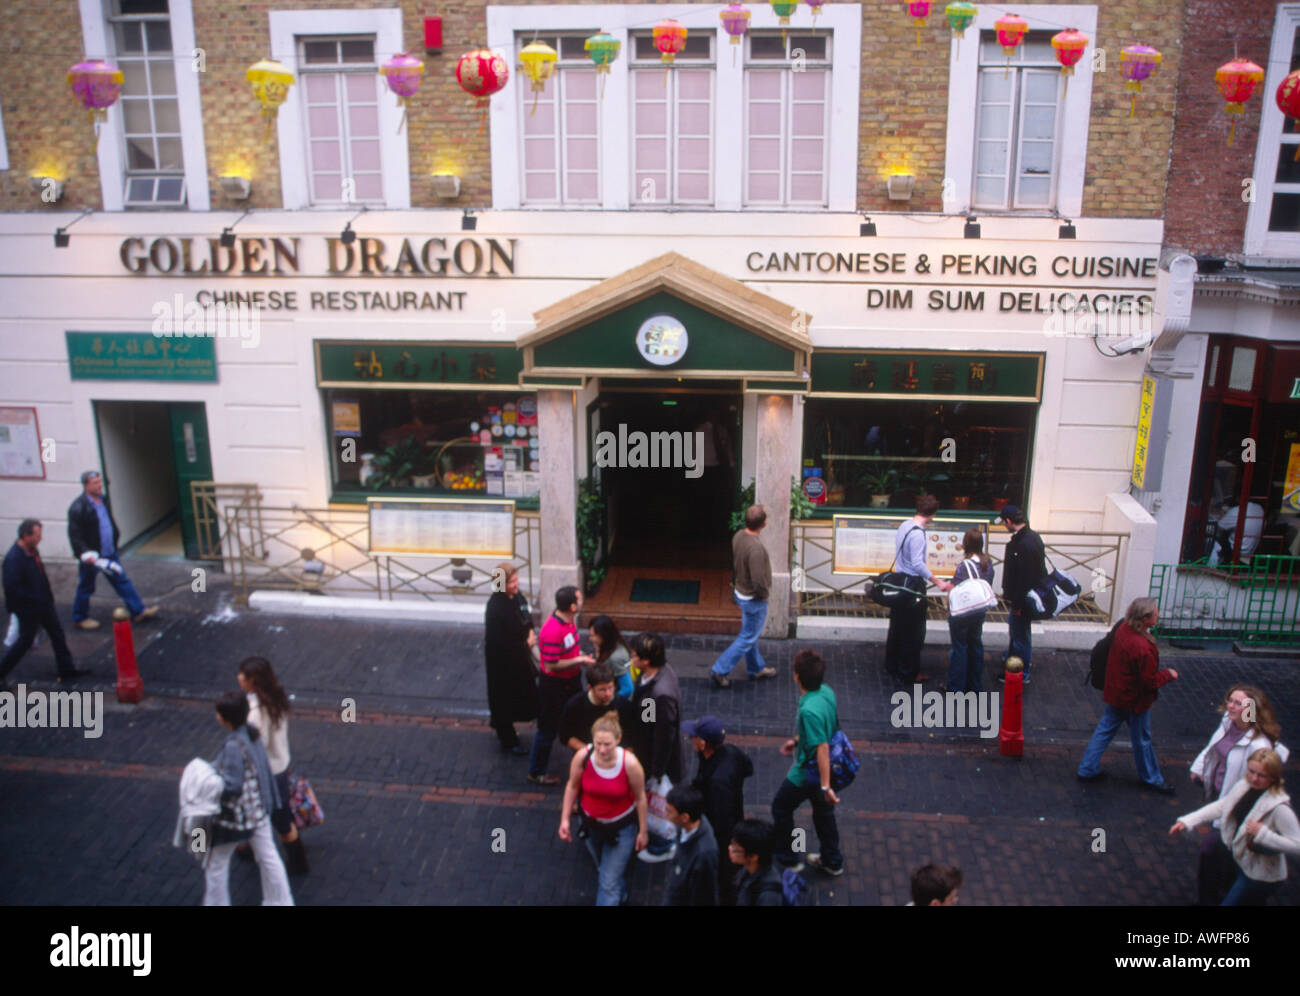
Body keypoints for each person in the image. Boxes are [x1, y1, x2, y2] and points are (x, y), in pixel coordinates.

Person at [1189, 685, 1288, 904]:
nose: (1230, 706)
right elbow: (1212, 747)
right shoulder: (1228, 721)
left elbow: (1256, 783)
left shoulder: (1258, 744)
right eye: (1230, 700)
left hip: (1236, 805)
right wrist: (1197, 769)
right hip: (1217, 792)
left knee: (1211, 850)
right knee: (1223, 853)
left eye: (1237, 703)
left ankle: (1214, 898)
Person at [1171, 748, 1300, 906]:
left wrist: (1263, 834)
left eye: (1262, 775)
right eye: (1251, 771)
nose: (1254, 778)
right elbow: (1223, 805)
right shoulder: (1244, 785)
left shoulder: (1280, 808)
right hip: (1242, 862)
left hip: (1260, 876)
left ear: (1274, 777)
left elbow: (1297, 845)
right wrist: (1188, 821)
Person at [1076, 597, 1179, 794]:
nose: (1158, 615)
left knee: (1105, 729)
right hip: (1134, 699)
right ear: (1146, 618)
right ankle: (1152, 778)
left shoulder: (1123, 628)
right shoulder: (1142, 648)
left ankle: (1087, 768)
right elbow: (1148, 681)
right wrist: (1168, 675)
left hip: (1116, 691)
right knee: (1142, 738)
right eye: (1155, 613)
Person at [203, 691, 294, 906]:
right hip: (259, 809)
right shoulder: (252, 734)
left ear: (225, 719)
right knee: (269, 856)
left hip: (237, 816)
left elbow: (232, 786)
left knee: (216, 863)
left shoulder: (233, 745)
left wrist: (209, 780)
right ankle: (280, 901)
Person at [558, 710, 648, 906]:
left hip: (622, 829)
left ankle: (614, 891)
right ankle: (619, 890)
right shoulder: (583, 756)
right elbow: (572, 786)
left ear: (618, 740)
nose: (602, 749)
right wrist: (565, 819)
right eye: (598, 743)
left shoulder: (630, 764)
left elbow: (640, 798)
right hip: (591, 826)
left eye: (607, 744)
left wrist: (643, 830)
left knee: (607, 882)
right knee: (605, 869)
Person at [773, 649, 843, 876]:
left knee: (781, 807)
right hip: (827, 768)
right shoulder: (826, 693)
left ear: (797, 677)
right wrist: (797, 740)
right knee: (823, 814)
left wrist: (825, 786)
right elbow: (826, 727)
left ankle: (789, 857)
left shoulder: (808, 711)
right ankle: (832, 861)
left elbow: (821, 746)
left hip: (809, 772)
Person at [237, 656, 308, 875]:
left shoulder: (256, 712)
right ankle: (250, 847)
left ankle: (298, 862)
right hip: (281, 763)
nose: (238, 677)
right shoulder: (276, 697)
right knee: (271, 811)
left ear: (252, 680)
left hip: (268, 771)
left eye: (242, 674)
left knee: (280, 818)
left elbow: (257, 744)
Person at [67, 470, 158, 629]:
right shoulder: (78, 507)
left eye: (100, 482)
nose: (99, 485)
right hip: (93, 556)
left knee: (122, 580)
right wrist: (84, 553)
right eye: (95, 483)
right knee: (86, 586)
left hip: (109, 550)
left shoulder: (103, 500)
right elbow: (75, 535)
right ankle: (79, 617)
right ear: (86, 485)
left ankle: (138, 611)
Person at [1, 519, 88, 685]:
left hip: (43, 603)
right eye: (37, 535)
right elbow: (13, 589)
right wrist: (33, 603)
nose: (41, 538)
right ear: (26, 536)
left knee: (57, 634)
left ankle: (66, 669)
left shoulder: (32, 551)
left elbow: (39, 576)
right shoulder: (14, 559)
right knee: (25, 641)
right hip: (29, 608)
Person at [528, 585, 595, 786]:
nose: (582, 602)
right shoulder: (552, 630)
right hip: (554, 688)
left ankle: (585, 759)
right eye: (580, 600)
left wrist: (578, 655)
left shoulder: (568, 620)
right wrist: (579, 660)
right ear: (573, 607)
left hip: (571, 682)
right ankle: (536, 771)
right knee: (547, 729)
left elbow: (568, 648)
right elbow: (550, 664)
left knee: (579, 718)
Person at [626, 631, 684, 862]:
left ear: (646, 660)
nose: (631, 658)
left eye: (634, 655)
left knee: (658, 804)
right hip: (646, 754)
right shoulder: (653, 678)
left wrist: (656, 772)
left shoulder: (661, 694)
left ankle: (664, 843)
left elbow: (662, 736)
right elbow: (648, 720)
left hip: (655, 762)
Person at [685, 714, 753, 903]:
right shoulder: (730, 751)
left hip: (722, 836)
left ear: (703, 743)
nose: (690, 739)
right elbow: (749, 768)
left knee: (725, 876)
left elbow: (720, 821)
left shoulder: (718, 782)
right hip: (734, 813)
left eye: (693, 736)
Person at [885, 495, 952, 685]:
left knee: (897, 626)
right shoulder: (918, 533)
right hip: (912, 586)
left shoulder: (905, 525)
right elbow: (917, 564)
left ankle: (892, 664)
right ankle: (908, 672)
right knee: (913, 632)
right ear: (932, 514)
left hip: (899, 582)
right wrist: (937, 581)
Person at [711, 504, 778, 689]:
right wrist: (764, 595)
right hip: (753, 598)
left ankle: (756, 668)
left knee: (750, 633)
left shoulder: (739, 536)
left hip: (741, 592)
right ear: (764, 523)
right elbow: (758, 579)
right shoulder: (756, 549)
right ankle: (720, 669)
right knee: (747, 637)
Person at [484, 562, 538, 754]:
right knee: (503, 700)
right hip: (503, 665)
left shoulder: (517, 597)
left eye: (516, 580)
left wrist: (530, 632)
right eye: (511, 582)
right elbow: (498, 642)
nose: (516, 584)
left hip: (519, 659)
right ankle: (507, 738)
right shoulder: (495, 608)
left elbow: (526, 615)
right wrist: (526, 645)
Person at [996, 504, 1044, 684]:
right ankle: (1012, 658)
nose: (1003, 526)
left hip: (1022, 601)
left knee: (1020, 635)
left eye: (1003, 523)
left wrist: (1017, 605)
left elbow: (1024, 579)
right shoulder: (1033, 538)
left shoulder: (1023, 545)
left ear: (1009, 521)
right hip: (1026, 598)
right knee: (1018, 633)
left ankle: (1020, 673)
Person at [946, 527, 994, 693]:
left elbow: (954, 588)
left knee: (960, 647)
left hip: (962, 612)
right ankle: (974, 685)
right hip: (979, 610)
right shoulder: (988, 563)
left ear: (966, 544)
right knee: (975, 644)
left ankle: (955, 687)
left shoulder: (964, 566)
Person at [559, 660, 633, 753]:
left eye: (610, 687)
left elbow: (631, 737)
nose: (608, 693)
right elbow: (565, 736)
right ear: (590, 687)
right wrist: (591, 753)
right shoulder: (575, 705)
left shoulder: (623, 705)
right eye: (602, 690)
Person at [664, 784, 719, 906]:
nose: (665, 815)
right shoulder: (684, 827)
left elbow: (703, 898)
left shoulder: (704, 855)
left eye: (669, 812)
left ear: (684, 817)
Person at [730, 818, 784, 906]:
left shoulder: (769, 895)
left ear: (753, 856)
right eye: (732, 844)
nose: (730, 849)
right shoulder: (747, 871)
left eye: (736, 850)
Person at [588, 614, 634, 700]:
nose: (590, 639)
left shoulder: (616, 657)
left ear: (603, 636)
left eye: (592, 635)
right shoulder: (609, 647)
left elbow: (627, 689)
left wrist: (609, 701)